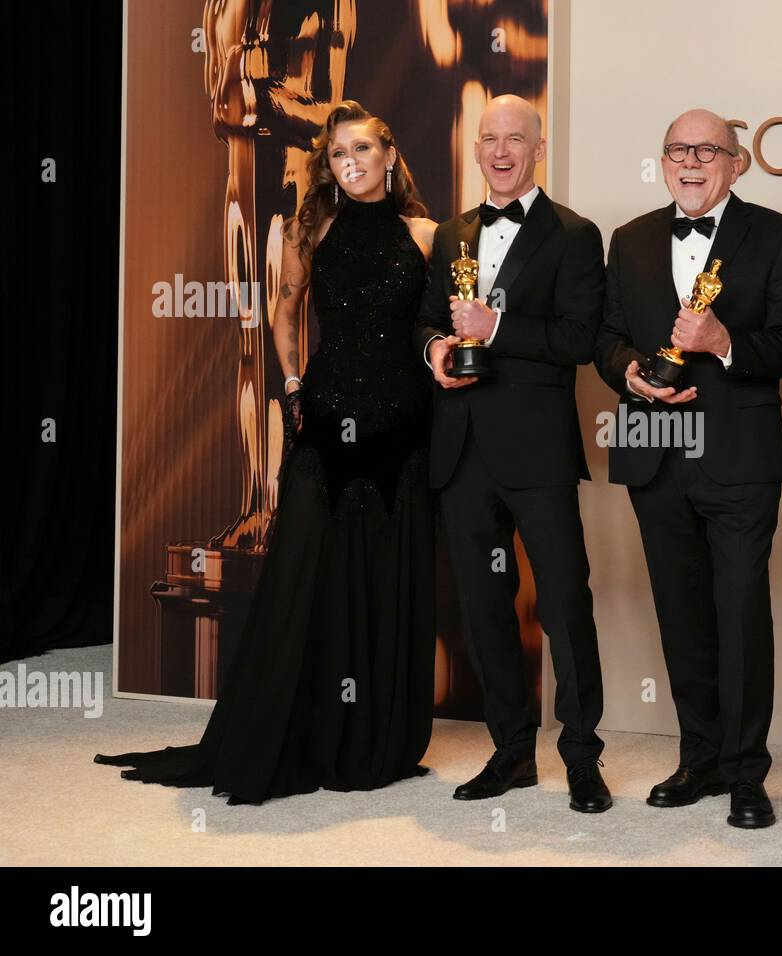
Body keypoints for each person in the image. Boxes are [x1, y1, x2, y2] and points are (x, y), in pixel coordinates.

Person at [95, 102, 439, 805]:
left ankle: (378, 738)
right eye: (339, 154)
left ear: (390, 156)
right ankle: (302, 729)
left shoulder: (428, 235)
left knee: (385, 579)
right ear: (330, 167)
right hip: (326, 421)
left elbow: (431, 328)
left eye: (364, 149)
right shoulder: (308, 228)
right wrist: (290, 388)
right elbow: (285, 313)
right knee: (306, 580)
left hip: (404, 429)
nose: (352, 162)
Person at [594, 109, 782, 829]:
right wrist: (627, 374)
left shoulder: (775, 235)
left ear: (736, 162)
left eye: (707, 149)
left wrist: (724, 341)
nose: (690, 161)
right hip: (654, 452)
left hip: (738, 458)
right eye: (678, 149)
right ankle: (699, 757)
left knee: (740, 612)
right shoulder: (631, 239)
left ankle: (748, 773)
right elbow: (605, 337)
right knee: (681, 616)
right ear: (662, 161)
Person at [416, 95, 611, 813]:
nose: (501, 152)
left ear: (538, 149)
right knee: (484, 606)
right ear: (476, 150)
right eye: (489, 139)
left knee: (565, 604)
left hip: (536, 452)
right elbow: (426, 319)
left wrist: (496, 327)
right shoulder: (451, 234)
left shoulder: (575, 235)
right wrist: (435, 346)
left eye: (515, 139)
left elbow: (579, 341)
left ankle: (583, 758)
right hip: (461, 450)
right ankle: (511, 753)